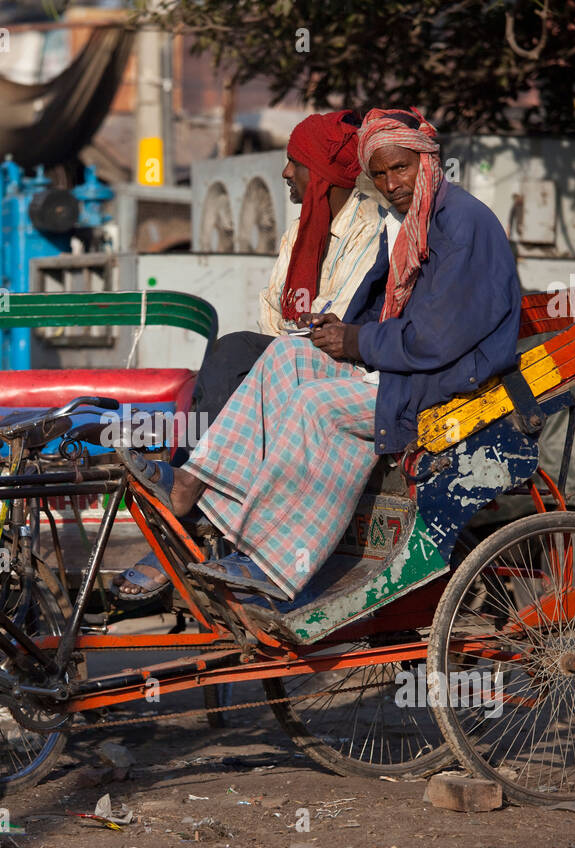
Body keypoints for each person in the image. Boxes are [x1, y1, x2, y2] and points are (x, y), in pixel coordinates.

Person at [119, 108, 521, 600]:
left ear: (427, 161)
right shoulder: (411, 221)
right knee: (283, 357)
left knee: (316, 405)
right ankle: (193, 484)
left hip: (443, 383)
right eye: (379, 173)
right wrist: (347, 331)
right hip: (399, 367)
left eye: (402, 168)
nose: (391, 183)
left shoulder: (460, 224)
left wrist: (354, 340)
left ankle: (276, 563)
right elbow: (387, 315)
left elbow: (435, 340)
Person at [112, 110, 389, 602]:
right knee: (235, 352)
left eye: (295, 164)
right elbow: (274, 310)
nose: (286, 174)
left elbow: (330, 323)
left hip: (351, 363)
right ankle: (189, 504)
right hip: (296, 351)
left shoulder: (373, 232)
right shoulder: (302, 231)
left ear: (321, 174)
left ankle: (187, 514)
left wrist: (291, 333)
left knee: (238, 350)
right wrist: (290, 333)